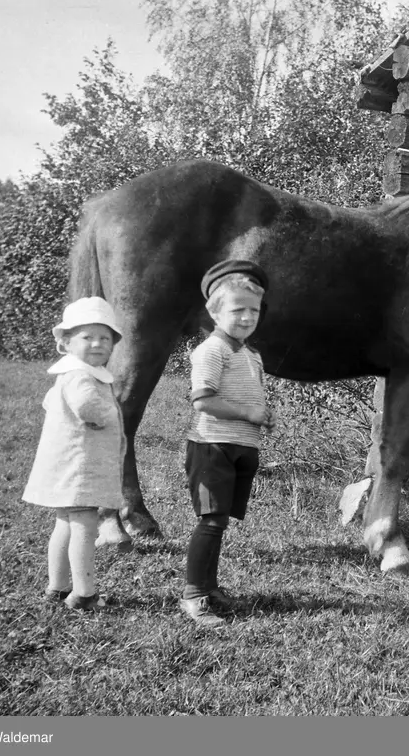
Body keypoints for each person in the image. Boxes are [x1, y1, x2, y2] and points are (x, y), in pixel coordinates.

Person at [180, 259, 274, 627]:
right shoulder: (211, 351)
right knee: (210, 521)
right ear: (214, 311)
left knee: (219, 522)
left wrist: (262, 415)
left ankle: (210, 586)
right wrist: (248, 414)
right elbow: (203, 401)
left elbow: (249, 400)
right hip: (212, 446)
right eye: (238, 309)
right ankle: (192, 596)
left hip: (240, 447)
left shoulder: (252, 354)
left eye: (254, 310)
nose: (247, 317)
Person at [23, 296, 127, 612]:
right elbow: (88, 408)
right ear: (66, 342)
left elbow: (49, 402)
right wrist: (108, 410)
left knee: (65, 524)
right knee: (85, 527)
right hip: (80, 468)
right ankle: (84, 594)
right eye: (87, 337)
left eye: (105, 338)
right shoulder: (81, 375)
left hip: (67, 467)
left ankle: (57, 586)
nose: (97, 344)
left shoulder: (70, 373)